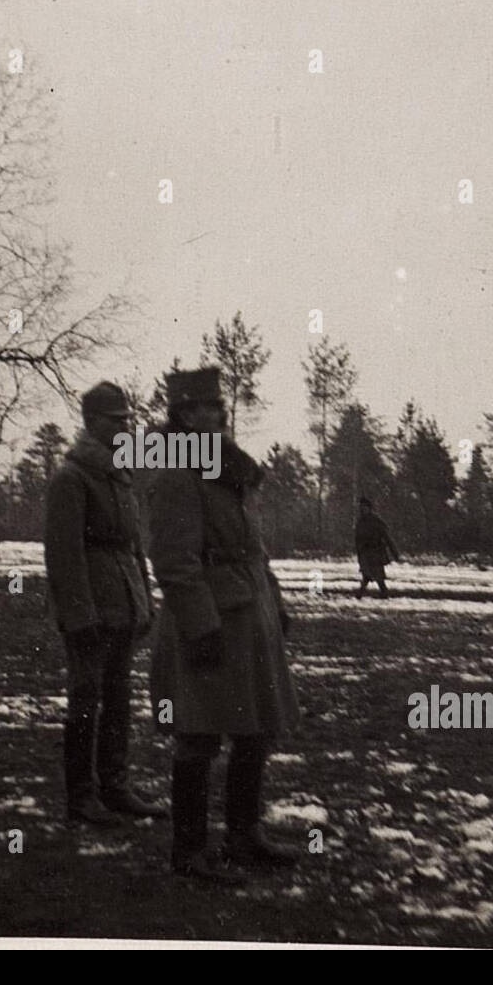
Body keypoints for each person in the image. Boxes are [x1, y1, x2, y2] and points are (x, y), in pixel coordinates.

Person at [145, 368, 300, 883]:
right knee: (198, 735)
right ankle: (189, 852)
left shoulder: (226, 469)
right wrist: (201, 625)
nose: (219, 414)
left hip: (248, 615)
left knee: (255, 730)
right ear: (183, 416)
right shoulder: (176, 471)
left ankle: (243, 835)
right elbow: (173, 559)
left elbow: (252, 546)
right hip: (209, 620)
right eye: (206, 408)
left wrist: (273, 599)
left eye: (219, 406)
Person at [44, 382, 165, 826]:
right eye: (116, 421)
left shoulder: (119, 475)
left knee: (117, 699)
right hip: (92, 611)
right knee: (85, 700)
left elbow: (134, 545)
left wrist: (144, 600)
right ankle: (81, 797)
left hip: (123, 605)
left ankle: (115, 787)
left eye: (126, 421)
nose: (124, 428)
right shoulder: (71, 478)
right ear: (91, 422)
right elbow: (64, 555)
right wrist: (79, 616)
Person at [354, 496, 401, 599]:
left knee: (377, 577)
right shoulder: (360, 522)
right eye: (361, 507)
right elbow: (358, 539)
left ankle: (379, 594)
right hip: (366, 553)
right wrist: (359, 552)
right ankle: (362, 594)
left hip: (376, 553)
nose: (363, 509)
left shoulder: (376, 521)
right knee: (367, 575)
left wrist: (395, 553)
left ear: (369, 508)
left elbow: (387, 537)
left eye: (365, 507)